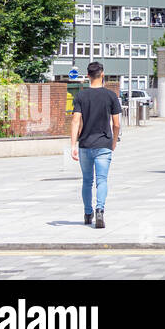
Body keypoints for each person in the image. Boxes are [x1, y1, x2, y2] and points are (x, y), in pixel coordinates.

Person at [70, 61, 121, 229]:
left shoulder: (81, 96)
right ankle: (100, 210)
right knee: (102, 180)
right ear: (103, 74)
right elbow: (117, 124)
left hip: (85, 144)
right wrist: (113, 142)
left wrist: (72, 145)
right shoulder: (110, 96)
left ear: (87, 76)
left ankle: (87, 213)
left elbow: (75, 120)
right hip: (104, 144)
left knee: (87, 181)